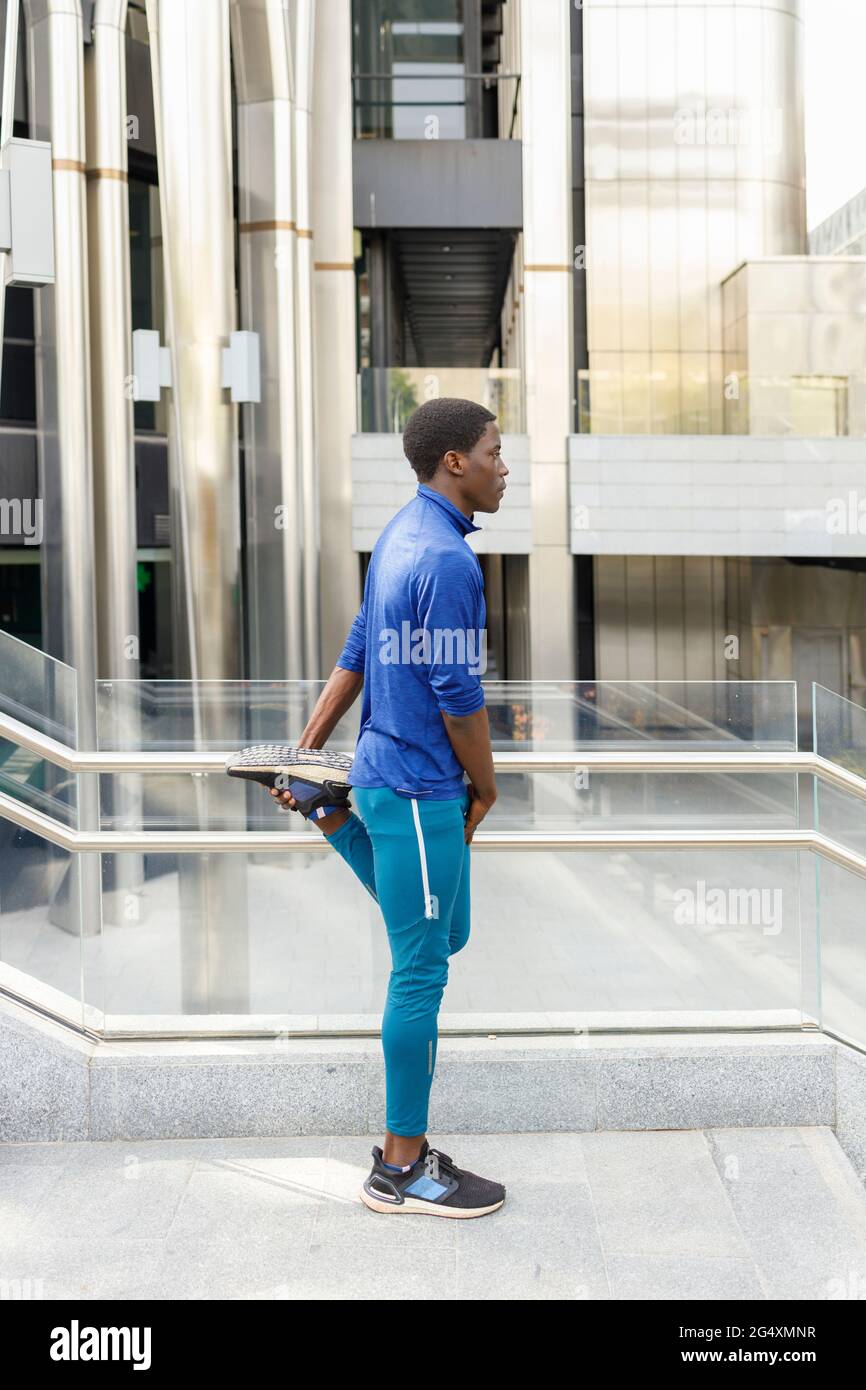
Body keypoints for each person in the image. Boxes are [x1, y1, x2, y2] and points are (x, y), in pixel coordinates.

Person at [271, 396, 509, 1218]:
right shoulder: (445, 560)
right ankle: (400, 1168)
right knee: (422, 968)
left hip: (388, 782)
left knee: (449, 931)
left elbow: (359, 646)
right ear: (455, 462)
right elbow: (456, 693)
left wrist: (308, 755)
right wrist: (488, 783)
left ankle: (328, 813)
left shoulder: (400, 536)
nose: (502, 467)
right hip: (416, 788)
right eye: (493, 452)